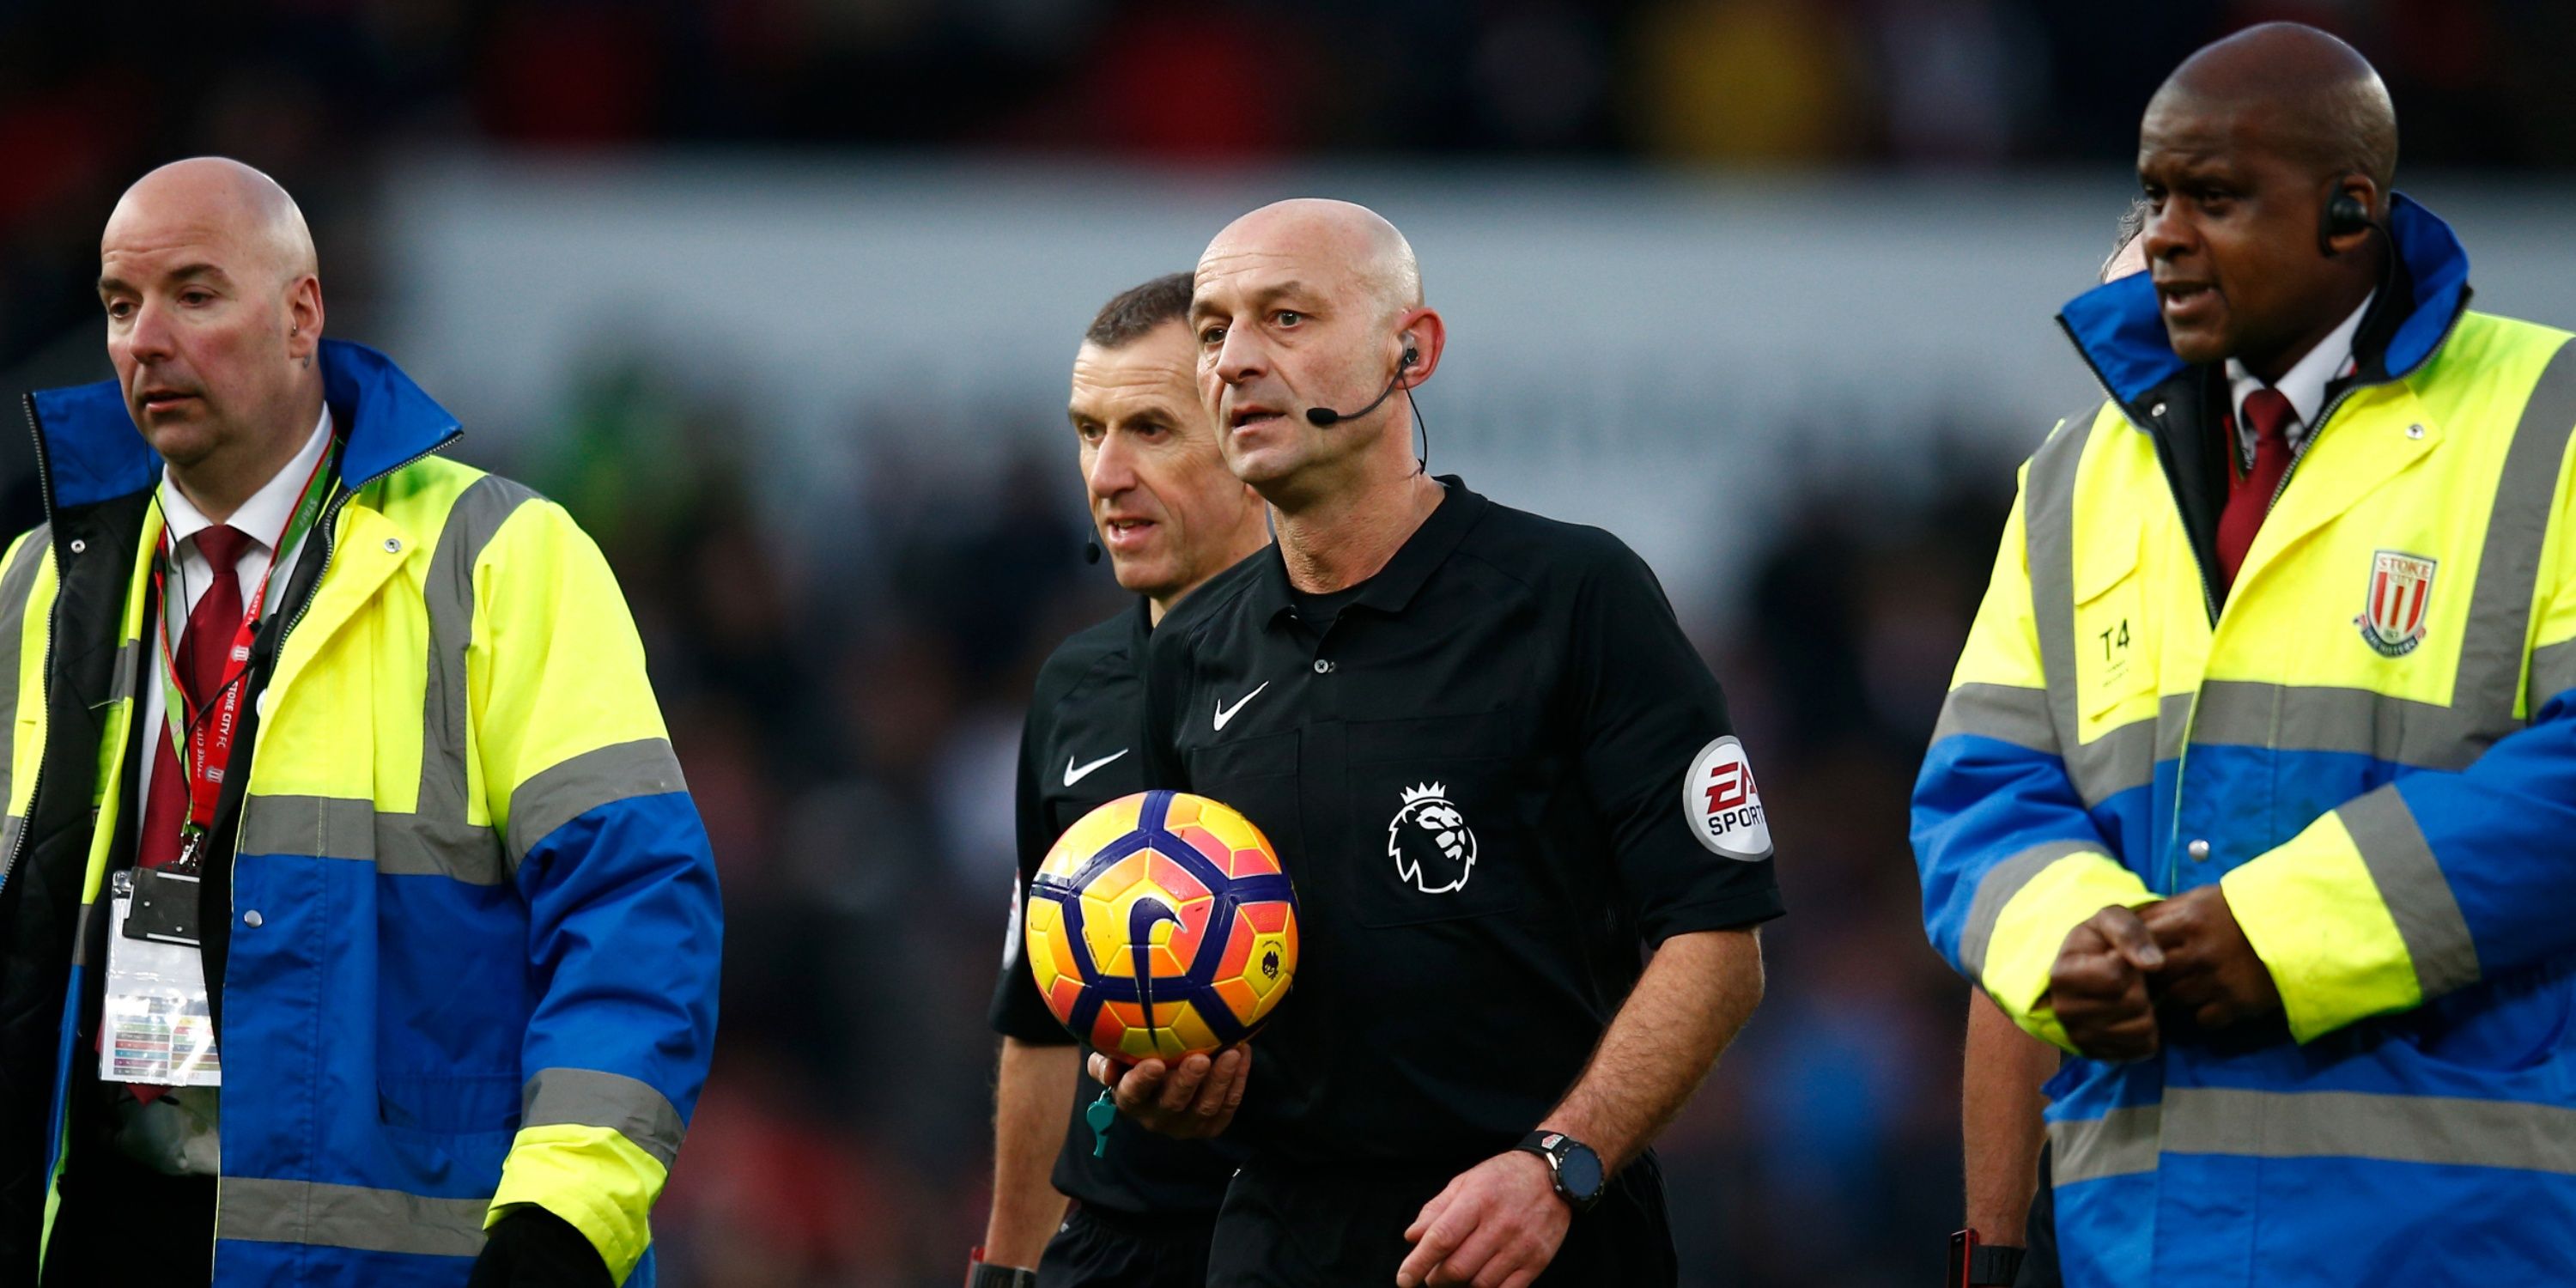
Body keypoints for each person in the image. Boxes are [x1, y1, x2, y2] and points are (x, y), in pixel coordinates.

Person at [1915, 23, 2576, 1286]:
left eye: (2213, 197)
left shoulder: (2552, 417)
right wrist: (2072, 938)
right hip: (2140, 1241)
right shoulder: (2072, 472)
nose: (2163, 231)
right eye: (2156, 194)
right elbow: (1979, 790)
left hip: (2457, 1235)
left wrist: (2276, 933)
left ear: (2349, 211)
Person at [0, 158, 720, 1288]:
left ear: (302, 315)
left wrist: (566, 1222)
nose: (146, 339)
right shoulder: (37, 585)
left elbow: (636, 916)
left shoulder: (502, 560)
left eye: (195, 295)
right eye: (119, 304)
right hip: (95, 1239)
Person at [1097, 198, 1779, 1288]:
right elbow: (1172, 959)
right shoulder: (1190, 652)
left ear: (1410, 350)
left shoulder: (1573, 596)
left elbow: (1719, 945)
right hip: (1281, 1239)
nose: (1231, 360)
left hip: (1538, 1234)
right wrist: (1159, 1065)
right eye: (1214, 328)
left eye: (1285, 317)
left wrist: (1558, 1167)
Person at [973, 273, 1271, 1288]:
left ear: (1245, 436)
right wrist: (1007, 1272)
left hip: (1301, 1237)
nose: (1107, 473)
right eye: (1088, 431)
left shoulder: (1350, 674)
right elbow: (1041, 1022)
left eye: (1150, 428)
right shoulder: (1072, 687)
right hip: (1108, 1247)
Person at [1955, 198, 2149, 1288]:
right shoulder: (2064, 509)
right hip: (2125, 1216)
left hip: (2413, 1209)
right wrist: (1990, 1251)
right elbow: (2013, 935)